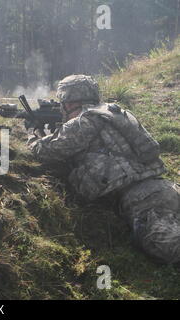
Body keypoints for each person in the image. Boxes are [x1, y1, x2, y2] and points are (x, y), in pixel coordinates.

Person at [30, 75, 180, 264]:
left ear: (69, 102)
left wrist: (33, 135)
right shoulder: (114, 113)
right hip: (165, 188)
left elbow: (46, 151)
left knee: (168, 247)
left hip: (142, 201)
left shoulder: (83, 122)